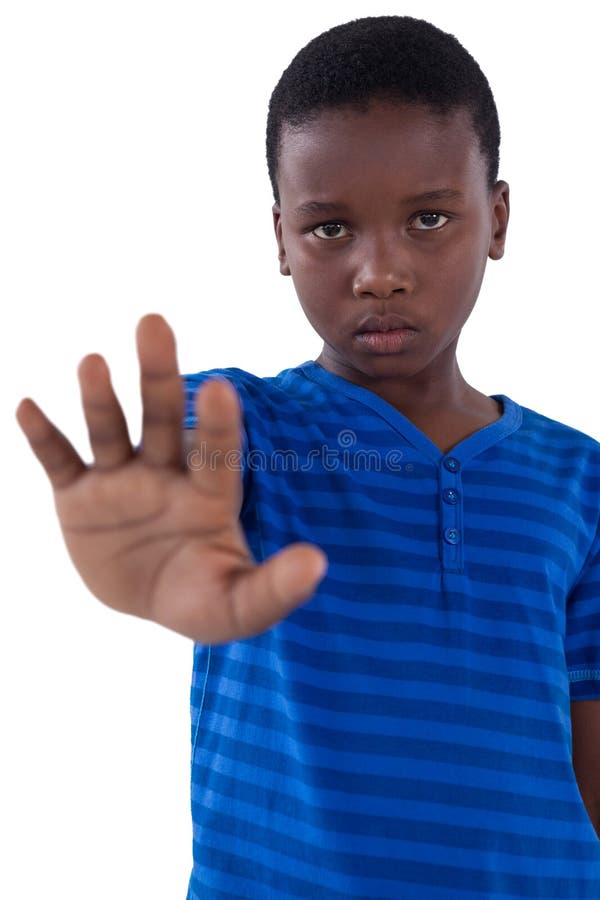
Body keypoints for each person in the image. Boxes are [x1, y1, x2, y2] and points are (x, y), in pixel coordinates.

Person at [15, 14, 600, 899]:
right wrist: (154, 513)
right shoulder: (245, 424)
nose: (379, 271)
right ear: (281, 238)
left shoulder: (581, 483)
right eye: (331, 230)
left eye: (430, 217)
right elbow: (185, 450)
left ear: (499, 218)